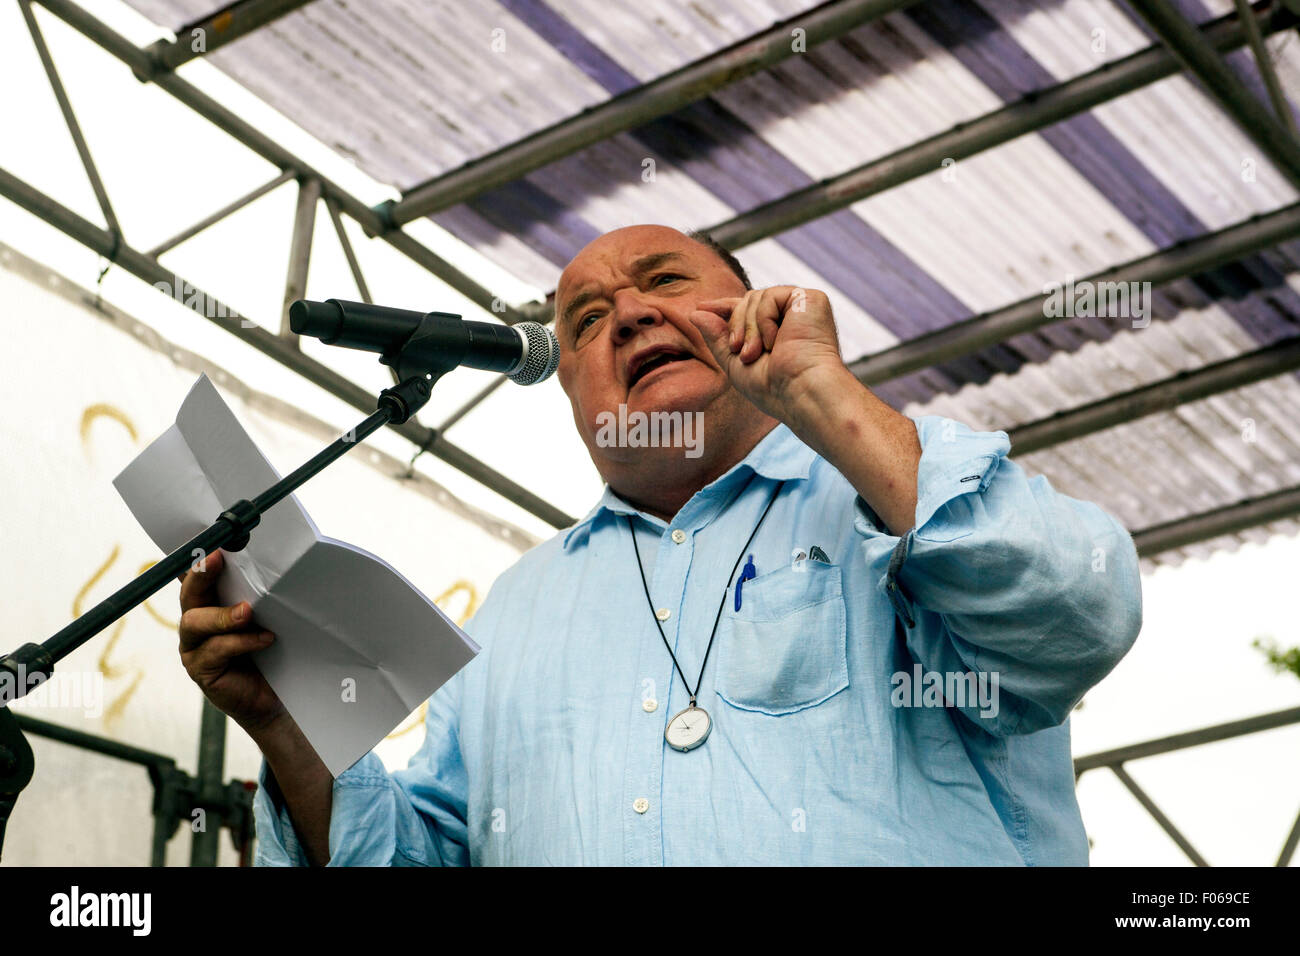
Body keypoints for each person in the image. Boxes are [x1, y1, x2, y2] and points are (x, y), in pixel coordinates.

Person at [177, 224, 1142, 865]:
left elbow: (1077, 616)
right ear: (573, 398)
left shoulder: (889, 488)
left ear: (759, 312)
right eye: (586, 321)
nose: (629, 316)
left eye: (665, 284)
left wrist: (824, 396)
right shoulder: (514, 609)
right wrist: (295, 736)